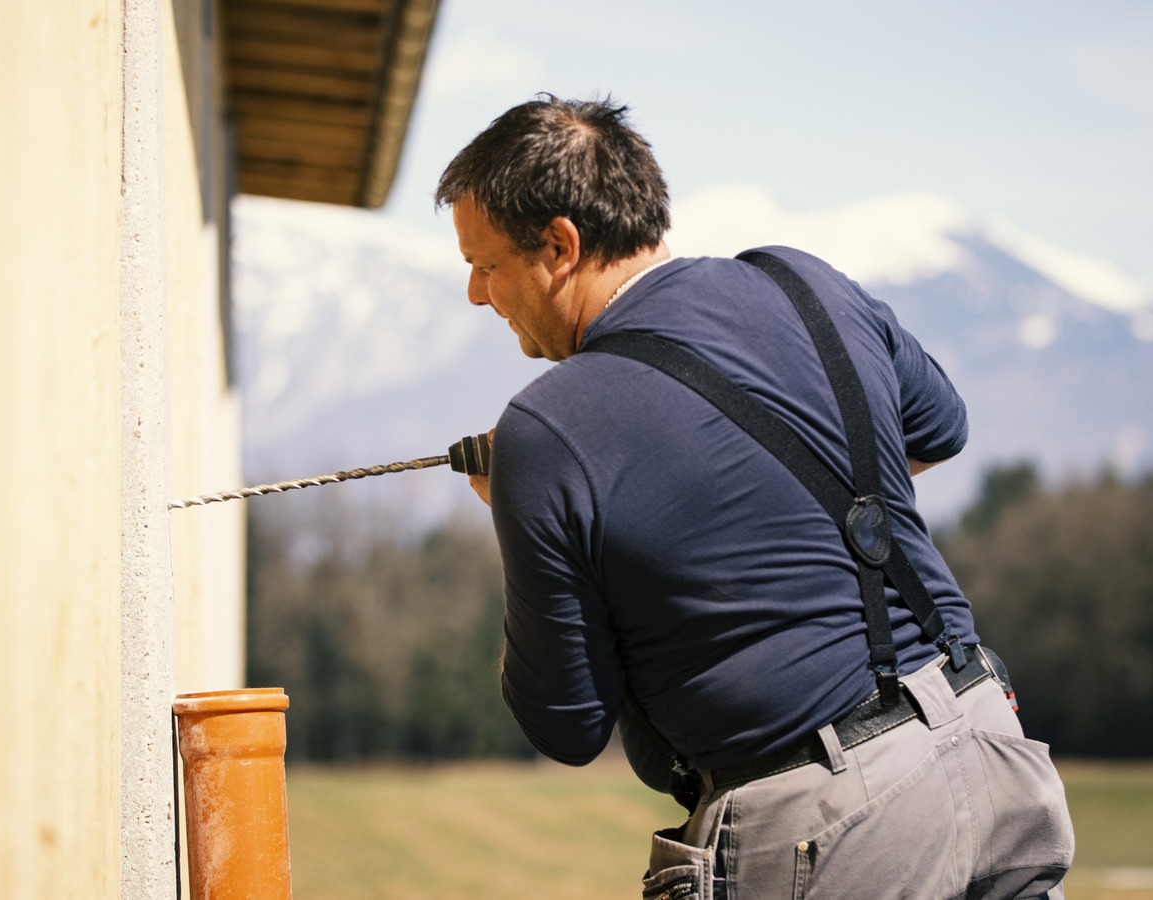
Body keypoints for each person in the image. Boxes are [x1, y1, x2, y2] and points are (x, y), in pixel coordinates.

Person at [437, 95, 1074, 899]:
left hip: (825, 829)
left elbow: (565, 724)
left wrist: (524, 510)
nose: (475, 293)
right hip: (992, 753)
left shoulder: (545, 429)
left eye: (485, 264)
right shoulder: (803, 281)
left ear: (560, 245)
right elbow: (938, 426)